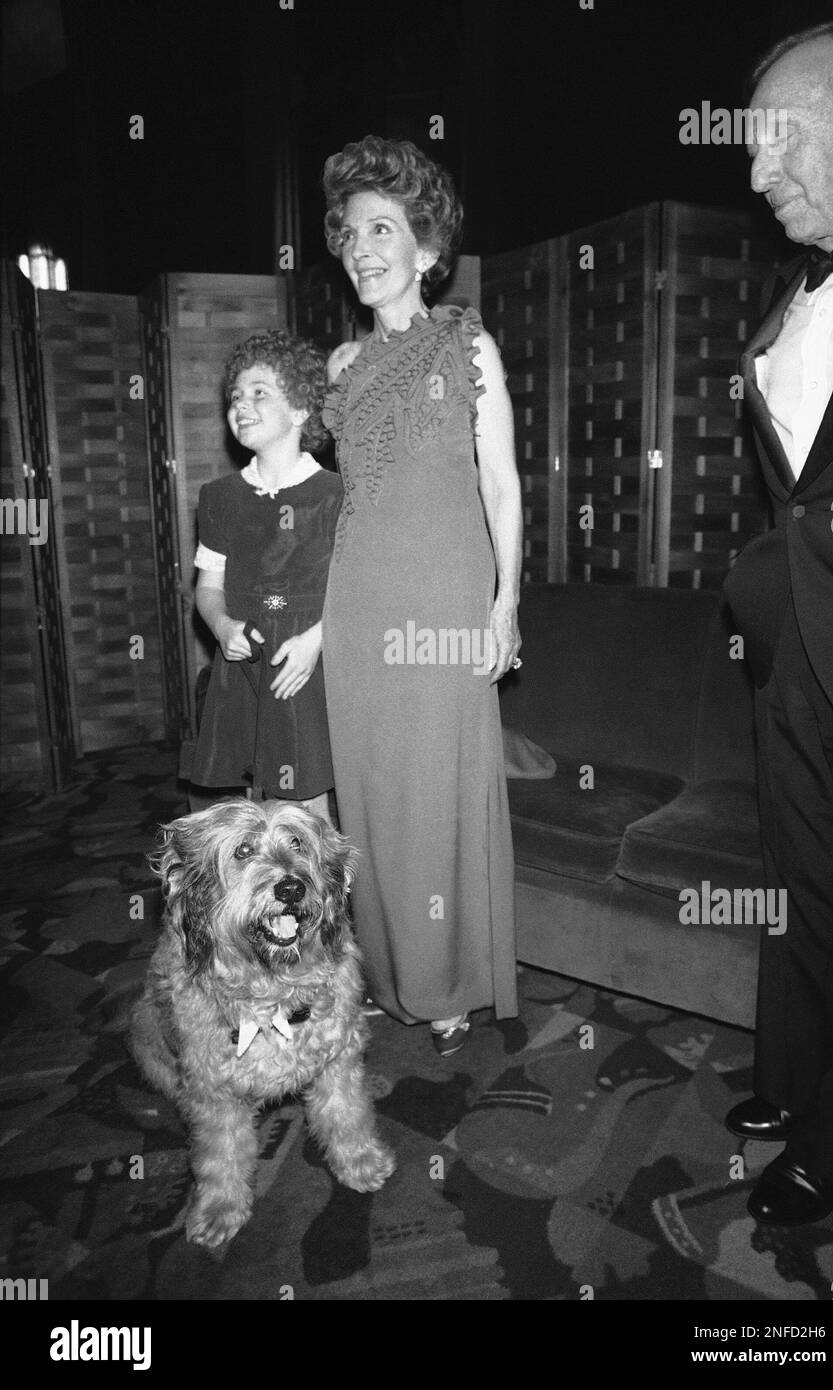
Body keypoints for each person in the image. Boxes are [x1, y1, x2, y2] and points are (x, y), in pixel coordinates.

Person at [320, 135, 523, 1056]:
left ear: (427, 249)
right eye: (350, 231)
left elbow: (502, 484)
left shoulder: (468, 343)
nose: (363, 247)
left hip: (444, 601)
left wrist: (506, 601)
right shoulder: (337, 371)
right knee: (368, 793)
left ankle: (444, 981)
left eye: (383, 228)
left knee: (435, 790)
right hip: (357, 602)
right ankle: (389, 972)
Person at [723, 19, 833, 1224]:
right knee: (802, 891)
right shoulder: (795, 292)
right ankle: (794, 1077)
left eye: (782, 138)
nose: (757, 168)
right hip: (791, 656)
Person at [190, 332, 343, 820]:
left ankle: (323, 895)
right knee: (252, 809)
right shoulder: (219, 497)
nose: (242, 405)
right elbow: (208, 587)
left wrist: (317, 639)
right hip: (244, 664)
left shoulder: (337, 494)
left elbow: (360, 591)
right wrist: (221, 626)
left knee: (308, 803)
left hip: (308, 662)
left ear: (300, 410)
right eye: (235, 396)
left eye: (260, 392)